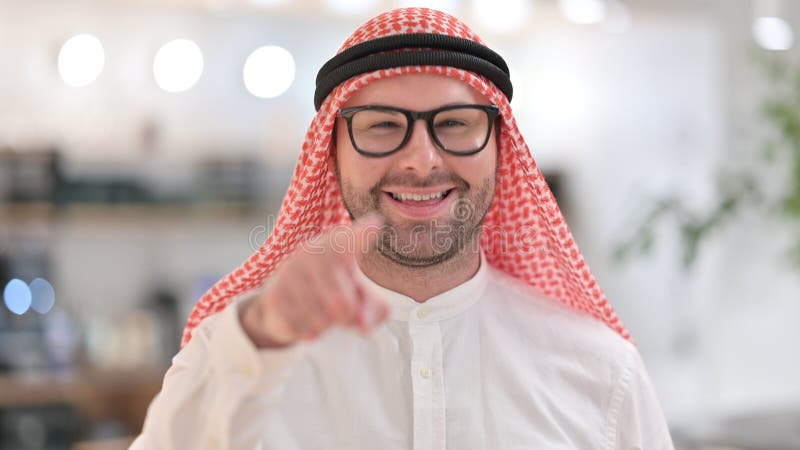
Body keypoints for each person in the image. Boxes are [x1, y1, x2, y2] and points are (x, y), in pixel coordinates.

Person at [131, 7, 673, 449]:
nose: (420, 160)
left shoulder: (601, 373)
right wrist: (260, 337)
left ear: (501, 148)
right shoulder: (240, 355)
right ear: (331, 153)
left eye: (456, 124)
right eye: (383, 125)